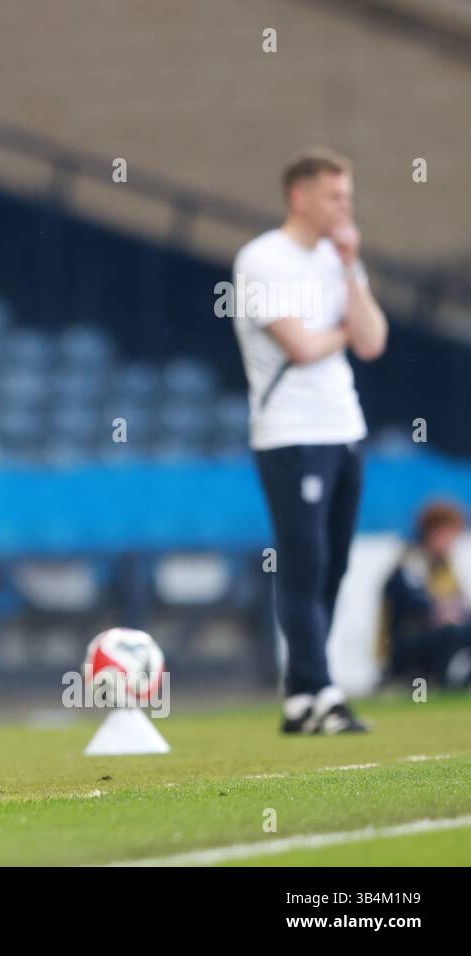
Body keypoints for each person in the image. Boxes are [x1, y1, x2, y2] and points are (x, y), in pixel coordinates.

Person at [231, 148, 389, 735]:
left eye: (347, 195)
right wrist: (343, 330)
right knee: (305, 562)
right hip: (291, 432)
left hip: (344, 427)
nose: (344, 206)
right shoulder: (262, 259)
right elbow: (299, 345)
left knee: (337, 564)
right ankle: (322, 689)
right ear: (299, 196)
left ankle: (301, 694)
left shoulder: (336, 258)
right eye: (333, 195)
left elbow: (372, 340)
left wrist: (350, 270)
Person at [379, 501, 471, 689]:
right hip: (405, 643)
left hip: (434, 635)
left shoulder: (445, 567)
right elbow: (412, 604)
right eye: (448, 535)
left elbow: (459, 602)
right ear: (433, 533)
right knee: (450, 632)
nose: (451, 542)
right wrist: (441, 612)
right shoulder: (412, 561)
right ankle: (434, 683)